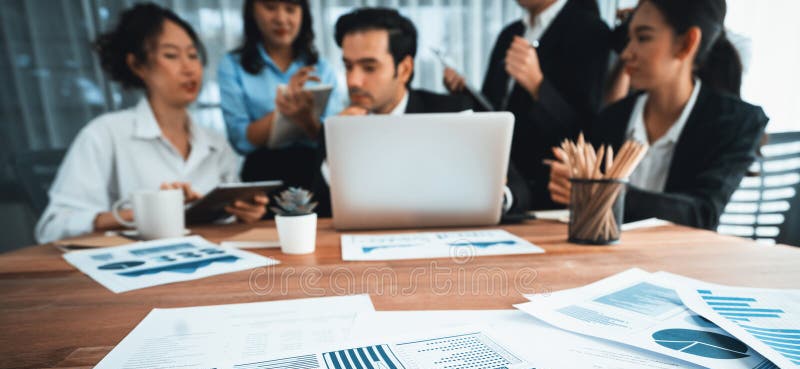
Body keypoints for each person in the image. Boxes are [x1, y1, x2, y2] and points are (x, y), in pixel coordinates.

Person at [36, 3, 267, 244]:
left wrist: (244, 213)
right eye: (171, 55)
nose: (189, 68)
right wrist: (142, 214)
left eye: (193, 55)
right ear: (137, 65)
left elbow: (225, 223)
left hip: (206, 266)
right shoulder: (104, 134)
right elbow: (53, 227)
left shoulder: (216, 144)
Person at [547, 0, 768, 230]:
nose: (626, 53)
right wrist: (571, 186)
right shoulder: (612, 119)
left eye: (643, 38)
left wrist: (607, 192)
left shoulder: (736, 122)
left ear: (686, 44)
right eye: (628, 39)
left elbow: (702, 214)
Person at [313, 7, 530, 217]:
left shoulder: (453, 114)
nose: (353, 81)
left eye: (369, 67)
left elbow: (518, 190)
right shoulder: (337, 130)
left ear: (405, 69)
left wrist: (491, 198)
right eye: (348, 66)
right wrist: (336, 158)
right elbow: (316, 209)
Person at [443, 0, 611, 210]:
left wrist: (537, 85)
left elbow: (589, 128)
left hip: (550, 192)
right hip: (503, 183)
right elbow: (493, 109)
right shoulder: (511, 33)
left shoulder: (590, 30)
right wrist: (465, 91)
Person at [218, 0, 344, 189]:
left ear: (303, 14)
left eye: (291, 9)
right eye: (270, 7)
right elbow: (240, 139)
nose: (281, 18)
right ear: (252, 11)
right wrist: (283, 110)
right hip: (262, 174)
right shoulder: (233, 65)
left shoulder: (321, 68)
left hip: (315, 172)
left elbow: (332, 139)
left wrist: (305, 119)